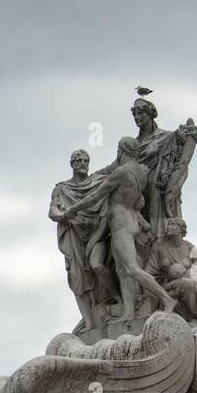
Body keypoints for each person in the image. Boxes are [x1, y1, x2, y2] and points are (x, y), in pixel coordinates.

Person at [61, 137, 177, 321]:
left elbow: (95, 196)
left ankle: (167, 299)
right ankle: (129, 312)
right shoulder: (141, 172)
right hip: (130, 221)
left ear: (121, 151)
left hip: (121, 224)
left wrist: (72, 209)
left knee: (132, 269)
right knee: (122, 271)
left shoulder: (121, 173)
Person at [48, 149, 115, 330]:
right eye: (78, 161)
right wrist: (64, 214)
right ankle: (89, 322)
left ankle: (114, 298)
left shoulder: (98, 182)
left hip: (98, 232)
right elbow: (52, 211)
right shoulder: (62, 189)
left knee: (98, 266)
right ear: (72, 164)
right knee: (78, 279)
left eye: (86, 161)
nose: (83, 164)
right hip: (74, 234)